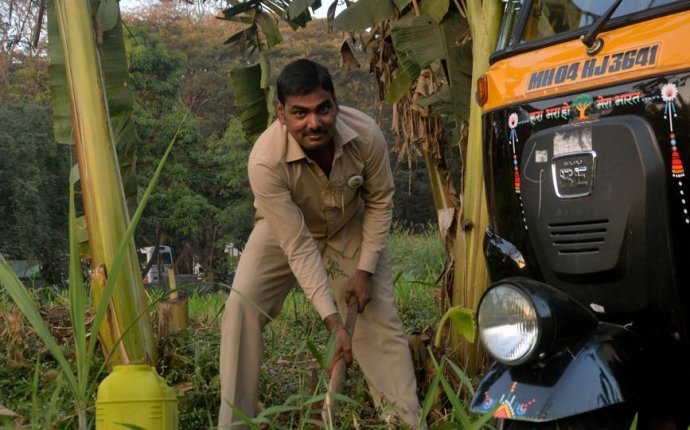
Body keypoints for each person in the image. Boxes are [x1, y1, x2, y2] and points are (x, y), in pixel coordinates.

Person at [218, 58, 424, 429]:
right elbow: (297, 245)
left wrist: (365, 269)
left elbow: (379, 202)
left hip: (349, 225)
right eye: (300, 113)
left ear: (335, 104)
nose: (314, 123)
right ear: (281, 113)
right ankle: (236, 423)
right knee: (240, 306)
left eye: (322, 109)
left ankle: (406, 423)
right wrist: (334, 324)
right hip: (285, 230)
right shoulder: (265, 161)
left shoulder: (366, 136)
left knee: (380, 322)